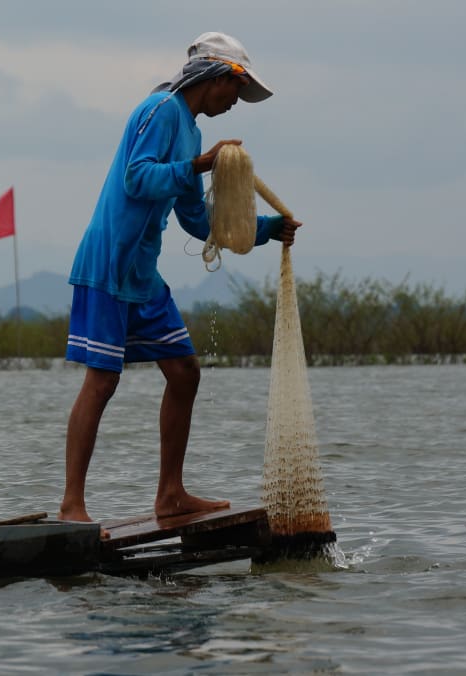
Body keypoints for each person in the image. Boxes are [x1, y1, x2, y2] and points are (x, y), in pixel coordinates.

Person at [60, 32, 302, 524]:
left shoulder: (190, 132)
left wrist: (266, 230)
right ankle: (71, 506)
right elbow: (137, 177)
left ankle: (170, 494)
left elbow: (197, 219)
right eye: (236, 90)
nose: (236, 102)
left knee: (184, 372)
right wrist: (198, 165)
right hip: (108, 264)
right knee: (103, 381)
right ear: (215, 78)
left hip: (142, 274)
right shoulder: (159, 110)